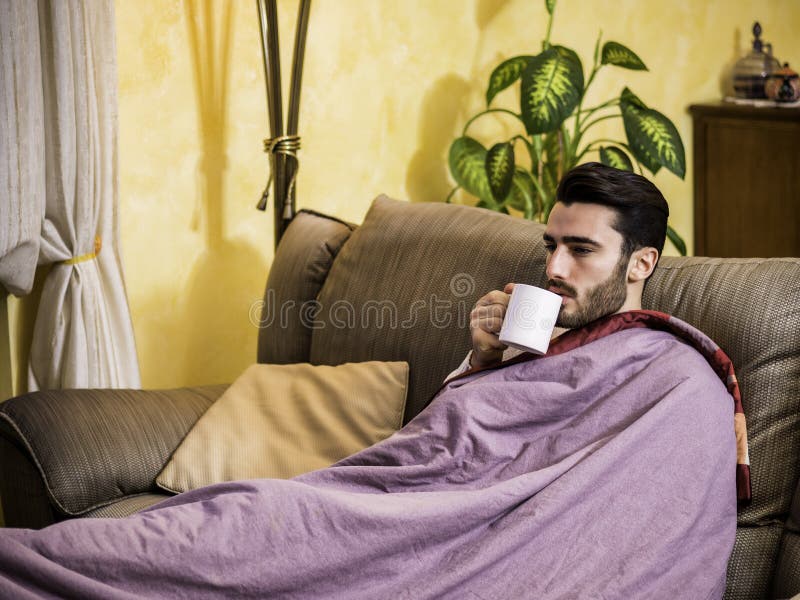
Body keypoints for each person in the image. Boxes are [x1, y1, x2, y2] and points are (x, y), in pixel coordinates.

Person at [0, 163, 747, 599]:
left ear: (640, 264)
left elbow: (642, 515)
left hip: (452, 551)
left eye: (580, 251)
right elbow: (442, 447)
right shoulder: (531, 343)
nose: (552, 269)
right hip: (372, 506)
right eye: (550, 245)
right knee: (227, 524)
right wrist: (479, 361)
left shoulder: (676, 373)